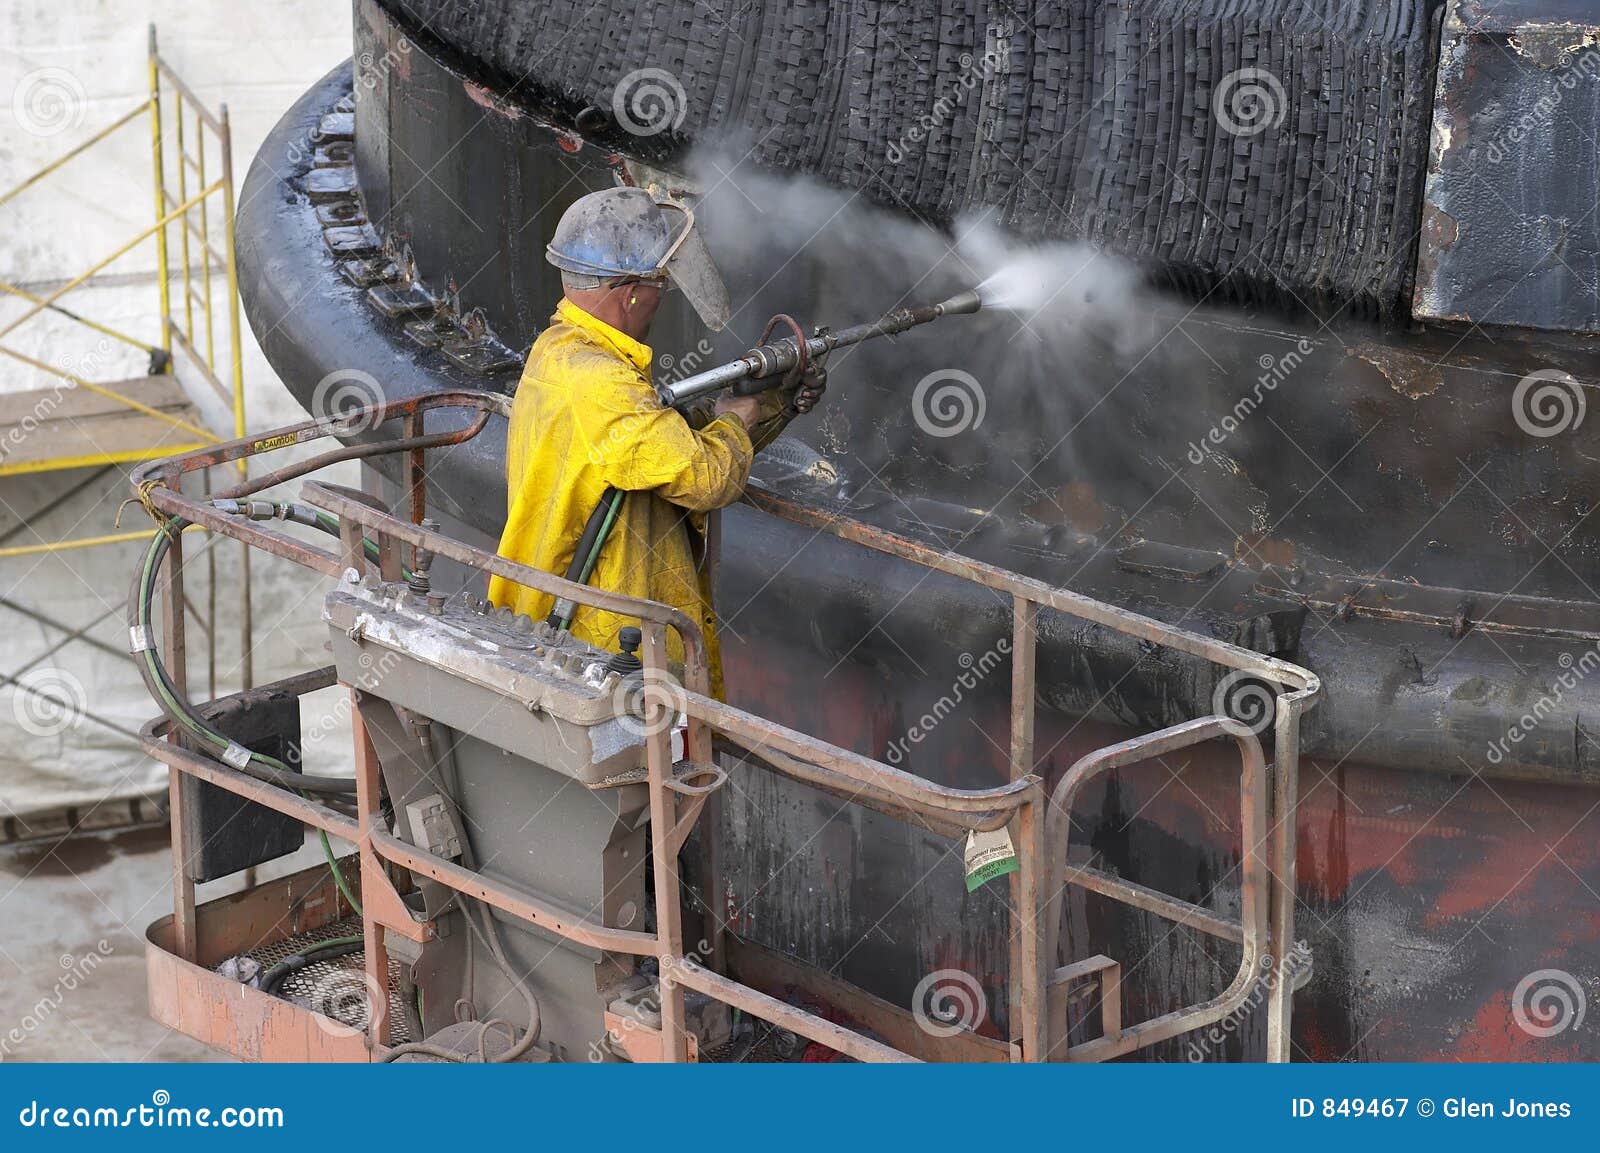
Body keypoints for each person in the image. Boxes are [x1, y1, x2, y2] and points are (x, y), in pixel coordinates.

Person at [488, 186, 824, 694]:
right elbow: (707, 477)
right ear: (630, 292)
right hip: (603, 646)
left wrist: (777, 402)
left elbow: (673, 447)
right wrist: (740, 415)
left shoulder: (566, 353)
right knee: (648, 768)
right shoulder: (603, 386)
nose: (659, 300)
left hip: (581, 628)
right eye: (659, 286)